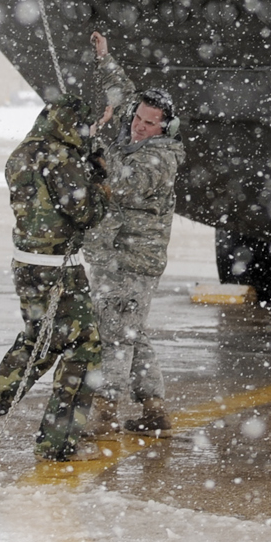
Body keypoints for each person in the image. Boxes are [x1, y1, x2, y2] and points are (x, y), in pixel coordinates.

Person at [0, 81, 109, 461]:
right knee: (85, 347)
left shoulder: (21, 153)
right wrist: (99, 179)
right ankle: (57, 442)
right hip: (59, 268)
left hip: (27, 263)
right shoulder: (60, 157)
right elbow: (85, 212)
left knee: (40, 340)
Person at [83, 31, 185, 435]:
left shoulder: (162, 158)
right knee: (131, 331)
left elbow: (123, 183)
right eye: (138, 119)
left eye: (149, 123)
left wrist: (95, 145)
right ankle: (154, 410)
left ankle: (105, 413)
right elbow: (123, 94)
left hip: (132, 260)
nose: (139, 127)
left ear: (166, 128)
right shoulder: (135, 122)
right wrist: (105, 59)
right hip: (115, 253)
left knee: (114, 336)